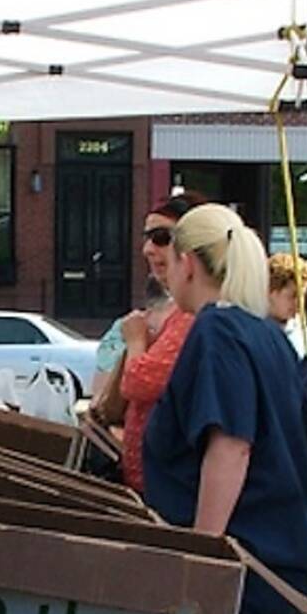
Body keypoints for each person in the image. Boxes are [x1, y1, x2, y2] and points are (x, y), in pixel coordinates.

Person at [143, 203, 307, 614]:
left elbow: (231, 447)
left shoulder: (218, 330)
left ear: (188, 263)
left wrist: (203, 558)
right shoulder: (265, 333)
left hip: (250, 564)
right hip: (278, 555)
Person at [109, 196, 199, 491]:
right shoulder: (178, 314)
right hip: (155, 481)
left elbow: (138, 383)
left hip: (170, 486)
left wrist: (136, 340)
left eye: (161, 238)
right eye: (146, 238)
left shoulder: (191, 317)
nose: (148, 249)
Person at [266, 252, 307, 359]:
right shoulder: (251, 331)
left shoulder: (305, 336)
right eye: (293, 296)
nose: (299, 304)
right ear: (270, 291)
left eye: (302, 297)